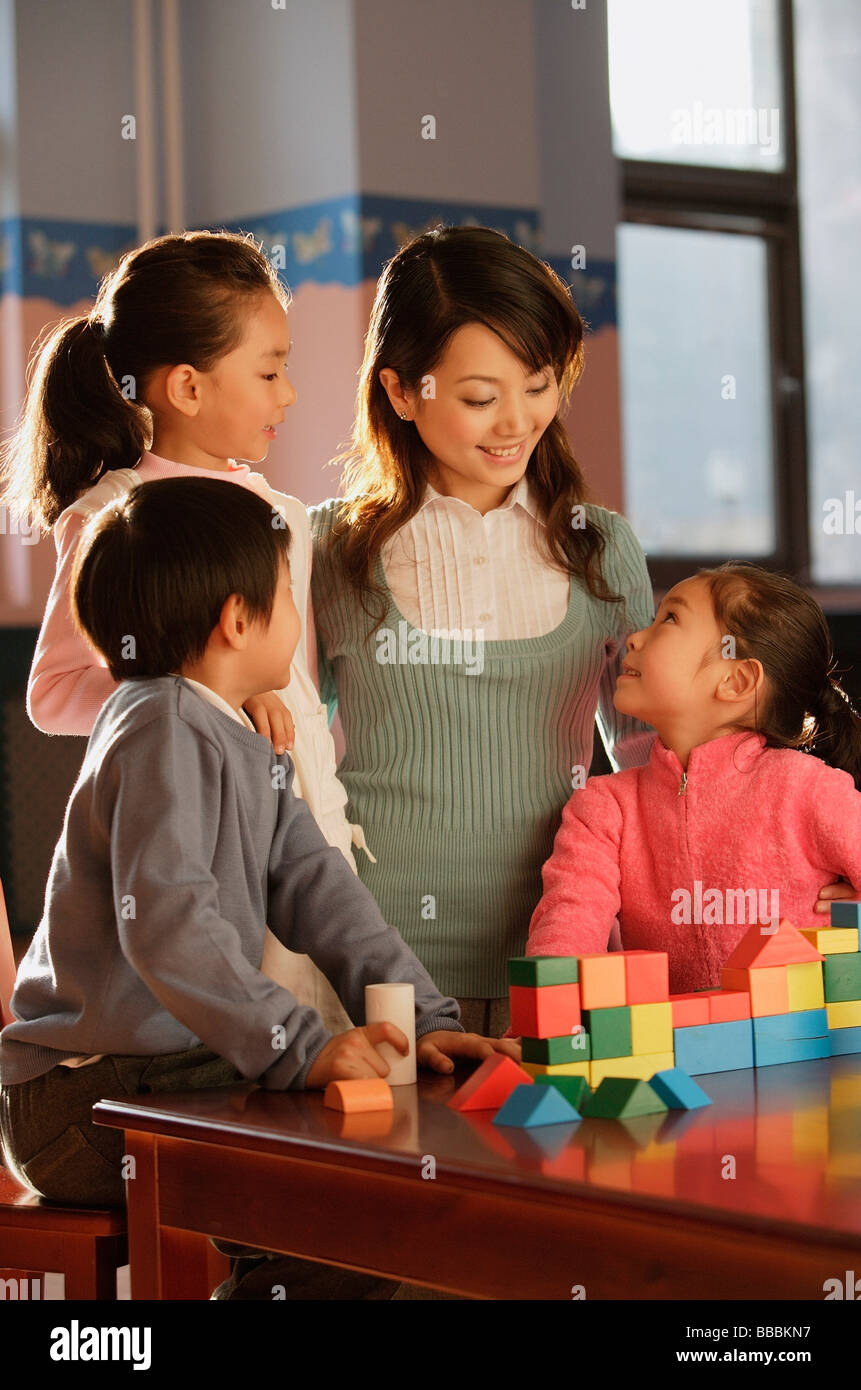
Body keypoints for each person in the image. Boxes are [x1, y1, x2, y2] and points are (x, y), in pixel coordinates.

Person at [307, 225, 851, 1028]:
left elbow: (666, 760)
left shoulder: (598, 548)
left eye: (538, 385)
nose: (515, 423)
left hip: (573, 971)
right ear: (398, 392)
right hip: (374, 969)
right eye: (478, 398)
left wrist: (802, 873)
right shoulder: (326, 549)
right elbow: (290, 763)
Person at [0, 476, 519, 1299]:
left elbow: (322, 891)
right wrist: (304, 1048)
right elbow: (168, 926)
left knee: (352, 1191)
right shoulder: (161, 723)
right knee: (334, 1214)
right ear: (237, 620)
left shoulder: (230, 731)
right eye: (288, 594)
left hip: (165, 1074)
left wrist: (420, 1018)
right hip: (85, 1097)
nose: (298, 613)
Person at [0, 229, 355, 1030]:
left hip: (306, 832)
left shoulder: (279, 513)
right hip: (199, 852)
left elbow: (296, 687)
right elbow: (53, 696)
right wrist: (199, 690)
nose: (288, 394)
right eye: (269, 372)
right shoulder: (113, 515)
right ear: (187, 388)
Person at [525, 563, 861, 993]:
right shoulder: (604, 807)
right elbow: (568, 926)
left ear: (735, 680)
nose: (635, 637)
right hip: (673, 1055)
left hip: (809, 1052)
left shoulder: (805, 788)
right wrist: (545, 1022)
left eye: (669, 618)